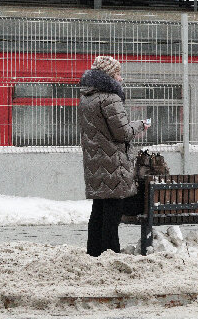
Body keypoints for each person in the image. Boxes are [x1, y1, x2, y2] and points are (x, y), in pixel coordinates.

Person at [78, 55, 149, 257]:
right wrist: (141, 125)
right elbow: (123, 132)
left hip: (95, 163)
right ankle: (111, 254)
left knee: (98, 210)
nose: (121, 78)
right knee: (112, 211)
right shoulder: (110, 98)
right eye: (118, 73)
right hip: (113, 163)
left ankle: (94, 253)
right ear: (109, 75)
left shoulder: (87, 98)